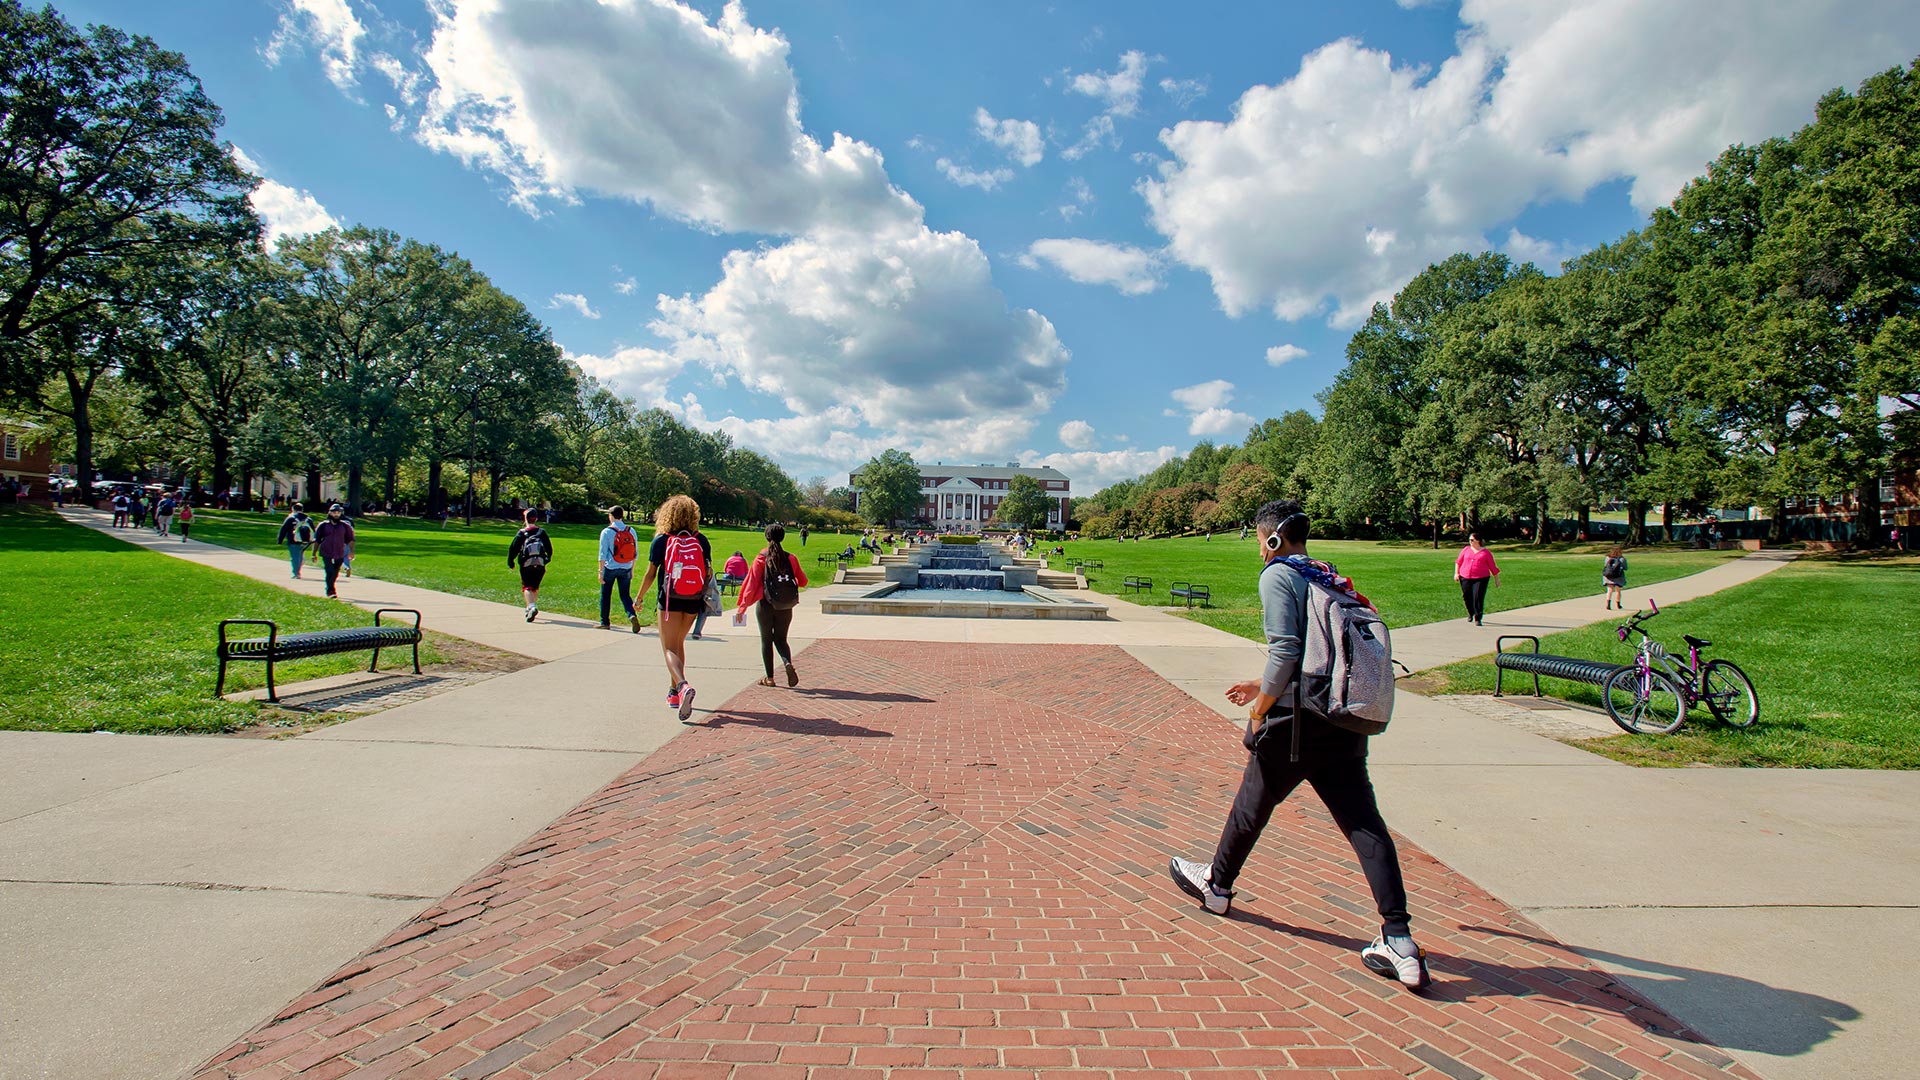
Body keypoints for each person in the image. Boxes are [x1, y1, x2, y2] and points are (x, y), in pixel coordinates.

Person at [1168, 499, 1430, 990]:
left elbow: (1286, 650)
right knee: (1364, 825)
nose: (1258, 549)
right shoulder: (1326, 576)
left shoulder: (1278, 575)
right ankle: (1399, 939)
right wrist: (1260, 683)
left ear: (1272, 538)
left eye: (1258, 539)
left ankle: (1217, 887)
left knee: (1251, 806)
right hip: (1340, 718)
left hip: (1295, 724)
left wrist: (1260, 709)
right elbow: (1318, 655)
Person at [638, 494, 711, 722]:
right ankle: (673, 693)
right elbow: (708, 573)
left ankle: (682, 685)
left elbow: (651, 574)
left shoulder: (662, 540)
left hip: (669, 599)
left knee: (669, 648)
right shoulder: (701, 540)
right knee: (679, 643)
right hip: (693, 599)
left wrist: (639, 598)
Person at [734, 523, 808, 687]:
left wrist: (742, 608)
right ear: (783, 537)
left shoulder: (761, 558)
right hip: (786, 605)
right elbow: (803, 581)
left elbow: (752, 584)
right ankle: (787, 662)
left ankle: (770, 678)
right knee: (781, 640)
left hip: (766, 605)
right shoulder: (791, 558)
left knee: (766, 641)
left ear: (767, 537)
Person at [597, 505, 642, 632]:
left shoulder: (607, 532)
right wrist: (632, 570)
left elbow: (602, 554)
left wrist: (600, 571)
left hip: (610, 567)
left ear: (610, 516)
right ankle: (631, 615)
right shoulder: (631, 530)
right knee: (625, 595)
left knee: (605, 594)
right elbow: (635, 553)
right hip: (626, 567)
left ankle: (605, 622)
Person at [507, 509, 553, 622]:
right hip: (540, 564)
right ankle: (530, 607)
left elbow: (513, 549)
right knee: (535, 587)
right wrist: (546, 559)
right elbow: (549, 549)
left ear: (525, 518)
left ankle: (531, 606)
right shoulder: (541, 532)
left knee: (527, 587)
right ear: (536, 519)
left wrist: (511, 561)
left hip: (526, 564)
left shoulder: (522, 533)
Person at [1453, 532, 1499, 626]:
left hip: (1481, 578)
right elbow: (1458, 562)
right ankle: (1470, 612)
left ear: (1478, 541)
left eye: (1472, 540)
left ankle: (1478, 617)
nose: (1470, 542)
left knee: (1478, 597)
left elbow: (1492, 566)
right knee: (1467, 596)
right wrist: (1456, 573)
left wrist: (1496, 579)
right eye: (1469, 540)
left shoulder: (1485, 552)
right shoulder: (1466, 550)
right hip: (1465, 576)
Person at [314, 503, 355, 599]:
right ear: (330, 513)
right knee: (329, 570)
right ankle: (331, 591)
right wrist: (313, 553)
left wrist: (351, 551)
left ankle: (330, 586)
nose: (336, 514)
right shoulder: (323, 525)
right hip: (326, 551)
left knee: (335, 572)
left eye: (338, 512)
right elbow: (317, 540)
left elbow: (350, 539)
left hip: (339, 551)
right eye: (334, 512)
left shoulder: (345, 526)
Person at [276, 504, 314, 578]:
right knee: (300, 556)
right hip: (305, 541)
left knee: (295, 557)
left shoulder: (291, 518)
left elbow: (283, 529)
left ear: (293, 509)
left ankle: (296, 573)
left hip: (293, 540)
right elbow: (313, 530)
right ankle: (298, 570)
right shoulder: (308, 519)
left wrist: (280, 540)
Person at [1602, 545, 1628, 610]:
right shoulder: (1622, 559)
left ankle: (1608, 604)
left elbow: (1605, 566)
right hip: (1618, 577)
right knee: (1618, 591)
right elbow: (1625, 568)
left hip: (1608, 576)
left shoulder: (1607, 558)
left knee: (1609, 590)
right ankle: (1618, 604)